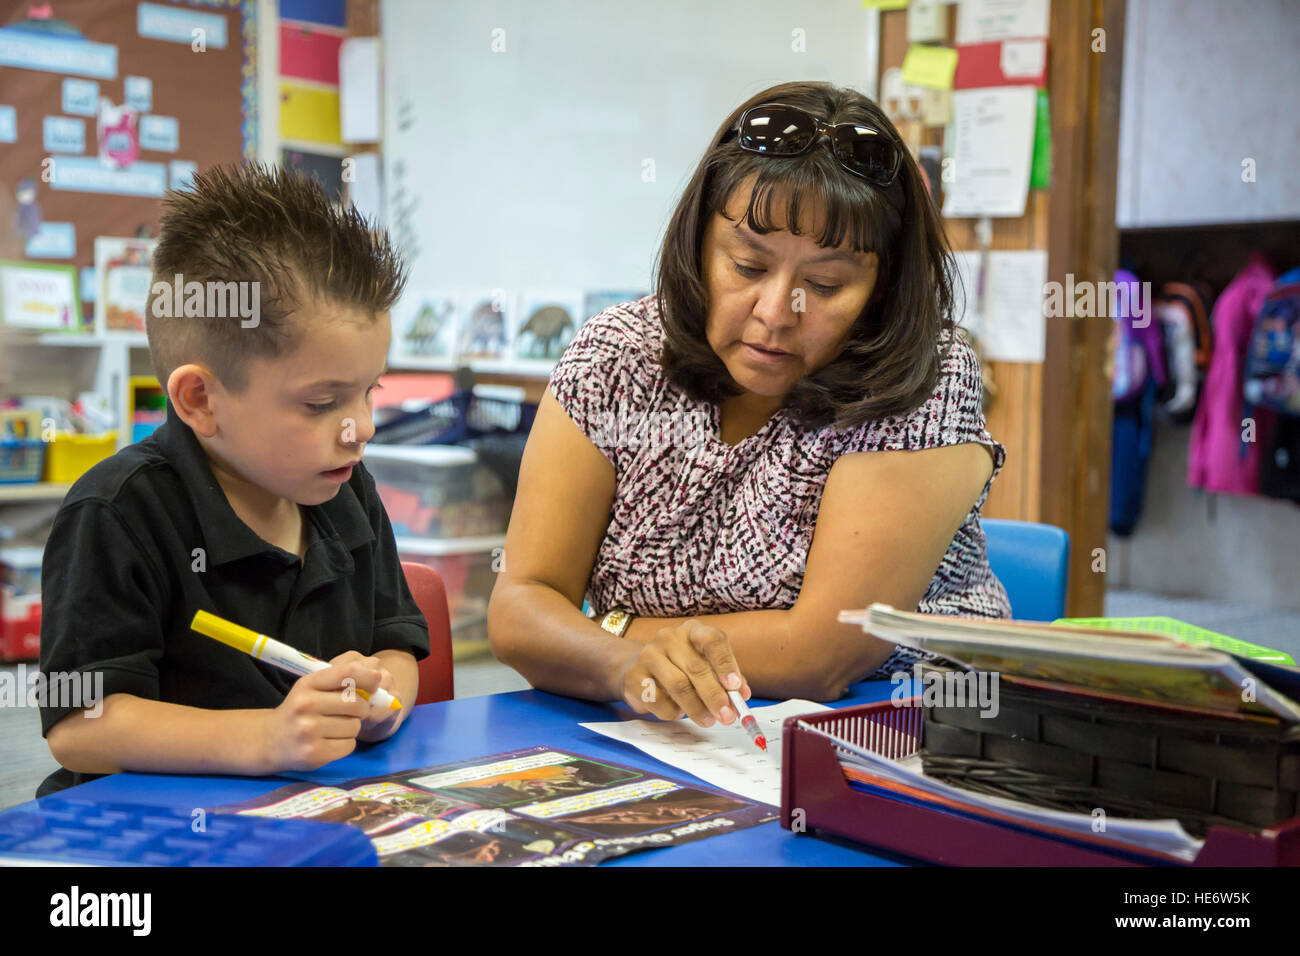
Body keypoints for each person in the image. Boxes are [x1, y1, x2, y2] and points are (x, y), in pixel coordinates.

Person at [488, 81, 1009, 729]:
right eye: (747, 267)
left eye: (825, 284)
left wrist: (606, 628)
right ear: (699, 246)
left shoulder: (923, 376)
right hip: (665, 730)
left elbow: (821, 654)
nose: (775, 313)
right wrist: (623, 666)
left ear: (881, 290)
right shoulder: (616, 355)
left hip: (899, 726)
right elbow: (521, 603)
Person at [38, 163, 429, 796]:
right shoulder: (118, 512)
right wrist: (269, 739)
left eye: (369, 392)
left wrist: (377, 697)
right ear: (200, 400)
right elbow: (81, 722)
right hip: (155, 832)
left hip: (316, 811)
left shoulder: (346, 488)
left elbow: (396, 647)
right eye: (321, 403)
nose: (362, 428)